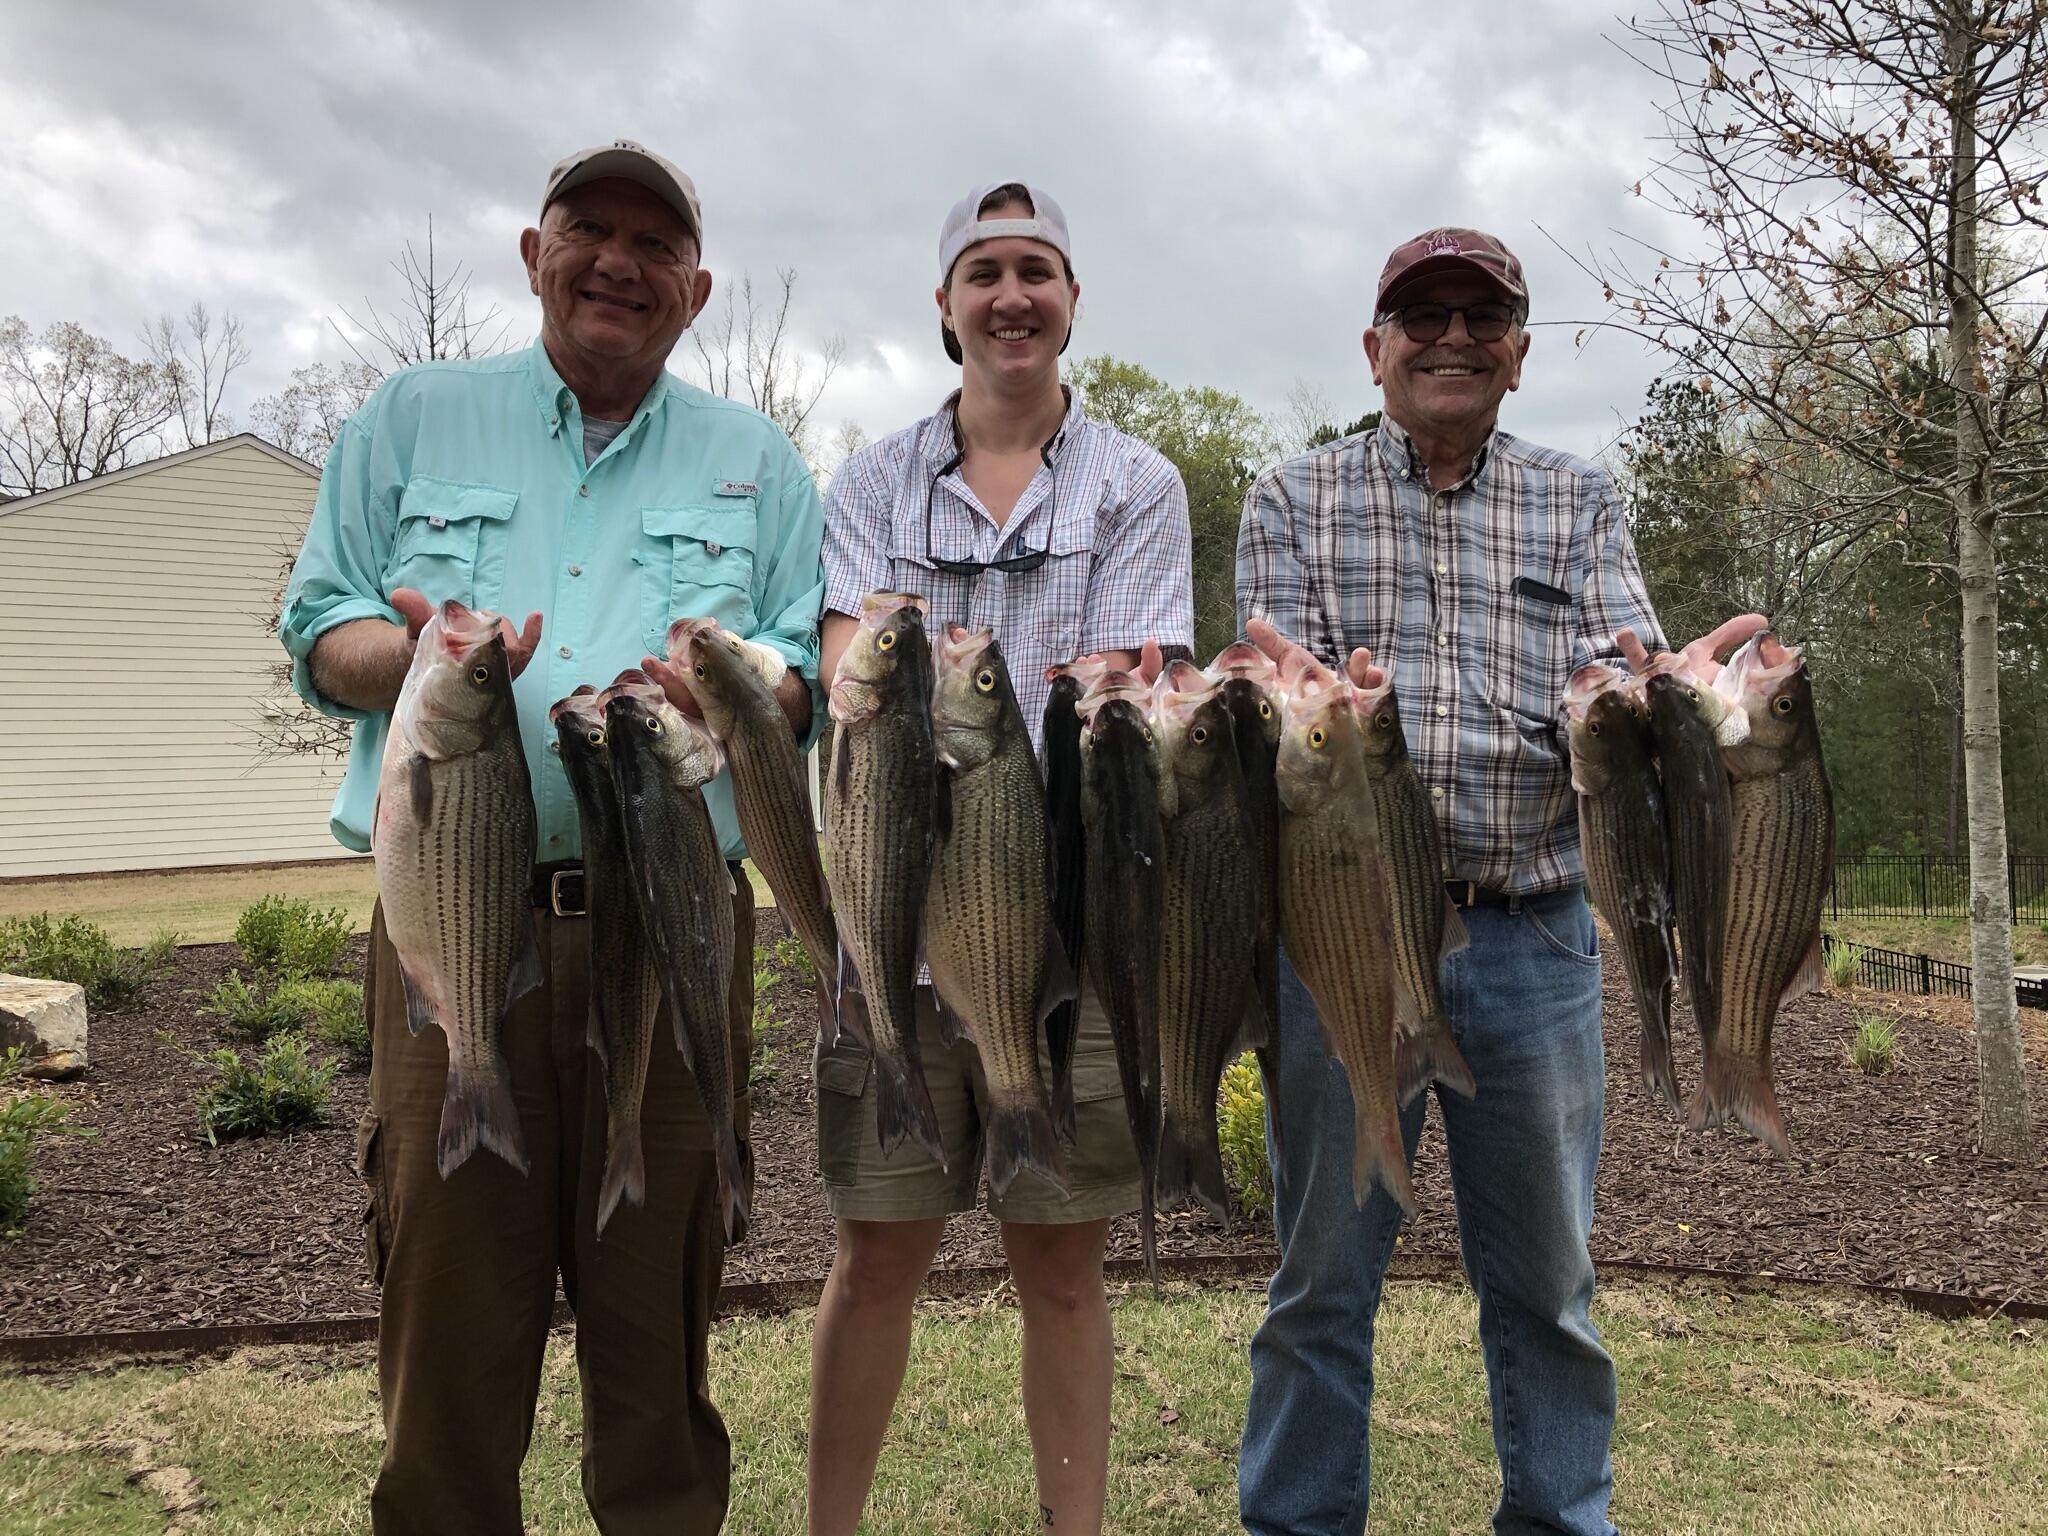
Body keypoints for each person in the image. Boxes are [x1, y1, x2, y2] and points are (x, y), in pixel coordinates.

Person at [279, 140, 826, 1536]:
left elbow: (791, 673)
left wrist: (742, 679)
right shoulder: (412, 418)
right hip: (459, 929)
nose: (619, 265)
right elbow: (320, 624)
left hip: (677, 929)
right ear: (535, 253)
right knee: (453, 1350)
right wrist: (406, 662)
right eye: (591, 230)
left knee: (658, 1356)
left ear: (695, 291)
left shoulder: (755, 463)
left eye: (656, 248)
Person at [1234, 226, 1763, 1536]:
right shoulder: (1289, 499)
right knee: (1318, 1292)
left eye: (1484, 316)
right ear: (1375, 350)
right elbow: (1272, 713)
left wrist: (1670, 699)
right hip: (1344, 945)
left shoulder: (1577, 499)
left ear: (1520, 356)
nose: (1453, 337)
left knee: (1547, 1292)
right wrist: (1297, 702)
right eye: (1424, 316)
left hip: (1534, 942)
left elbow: (1620, 676)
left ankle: (1562, 1522)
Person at [808, 181, 1192, 1536]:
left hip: (1068, 945)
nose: (1012, 294)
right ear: (946, 304)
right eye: (985, 271)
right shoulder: (867, 480)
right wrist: (893, 669)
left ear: (1073, 300)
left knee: (1064, 1272)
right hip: (895, 936)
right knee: (874, 1258)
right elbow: (847, 659)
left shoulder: (1139, 485)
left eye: (1037, 269)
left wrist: (1114, 693)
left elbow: (1141, 686)